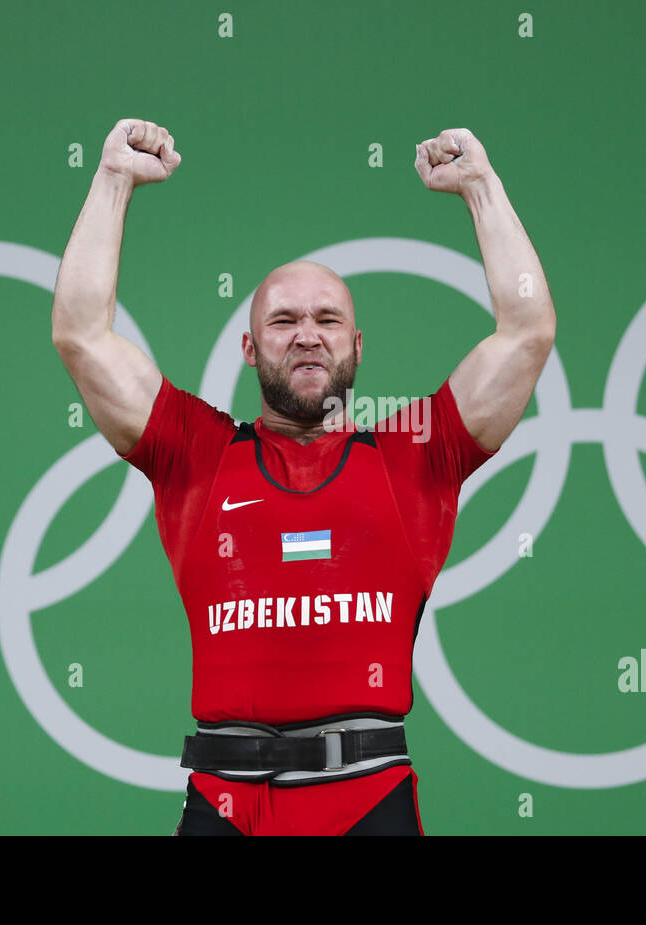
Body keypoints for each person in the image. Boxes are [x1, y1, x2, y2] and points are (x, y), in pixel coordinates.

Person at [51, 118, 556, 835]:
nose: (308, 333)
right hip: (225, 802)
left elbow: (528, 330)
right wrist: (112, 179)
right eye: (284, 321)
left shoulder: (417, 452)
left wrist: (481, 186)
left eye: (326, 318)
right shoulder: (193, 452)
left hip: (367, 802)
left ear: (356, 344)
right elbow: (79, 333)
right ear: (251, 347)